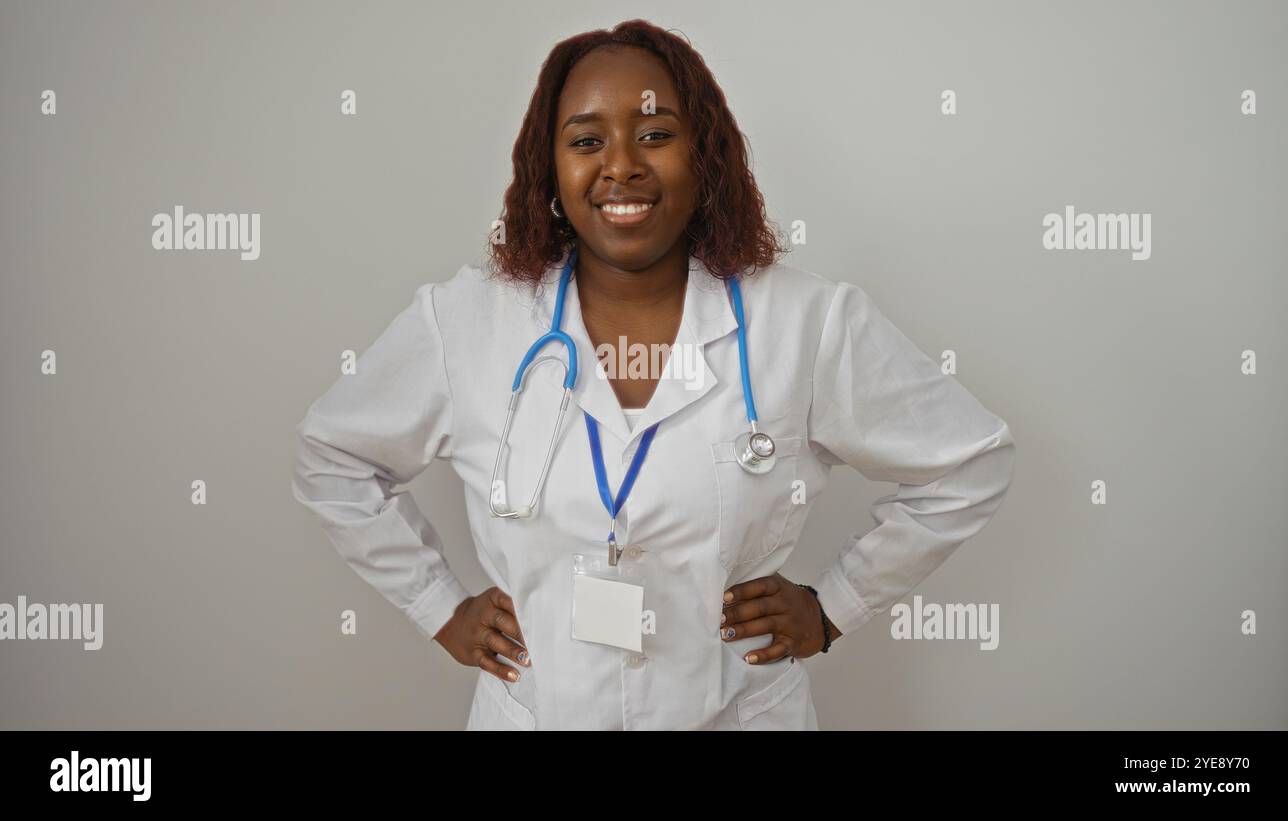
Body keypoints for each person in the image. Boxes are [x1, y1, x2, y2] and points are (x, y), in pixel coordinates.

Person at [291, 19, 1015, 730]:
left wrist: (835, 606)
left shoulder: (807, 322)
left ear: (704, 156)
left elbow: (969, 460)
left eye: (656, 133)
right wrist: (437, 606)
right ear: (551, 168)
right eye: (585, 140)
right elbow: (332, 455)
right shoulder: (467, 322)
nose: (621, 166)